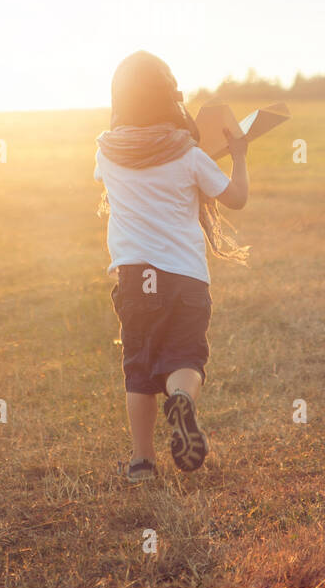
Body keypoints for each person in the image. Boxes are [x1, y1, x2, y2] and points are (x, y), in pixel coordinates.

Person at [94, 50, 250, 482]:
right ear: (171, 97)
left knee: (139, 369)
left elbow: (112, 181)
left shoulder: (107, 152)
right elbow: (235, 197)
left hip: (133, 279)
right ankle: (181, 396)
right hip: (185, 277)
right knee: (185, 356)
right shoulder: (189, 153)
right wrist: (237, 155)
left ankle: (142, 462)